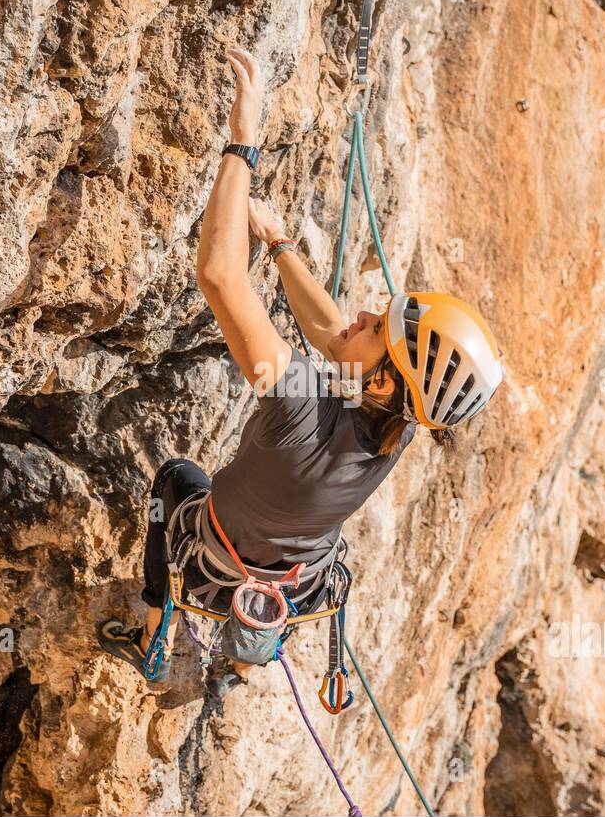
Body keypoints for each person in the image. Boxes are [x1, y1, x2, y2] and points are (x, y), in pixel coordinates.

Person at [99, 47, 503, 694]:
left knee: (175, 478)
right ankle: (246, 654)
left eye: (379, 327)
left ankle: (156, 635)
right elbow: (328, 329)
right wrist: (283, 247)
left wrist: (244, 143)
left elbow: (220, 276)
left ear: (378, 382)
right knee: (298, 550)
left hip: (215, 562)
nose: (365, 313)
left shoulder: (298, 401)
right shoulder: (395, 428)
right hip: (298, 575)